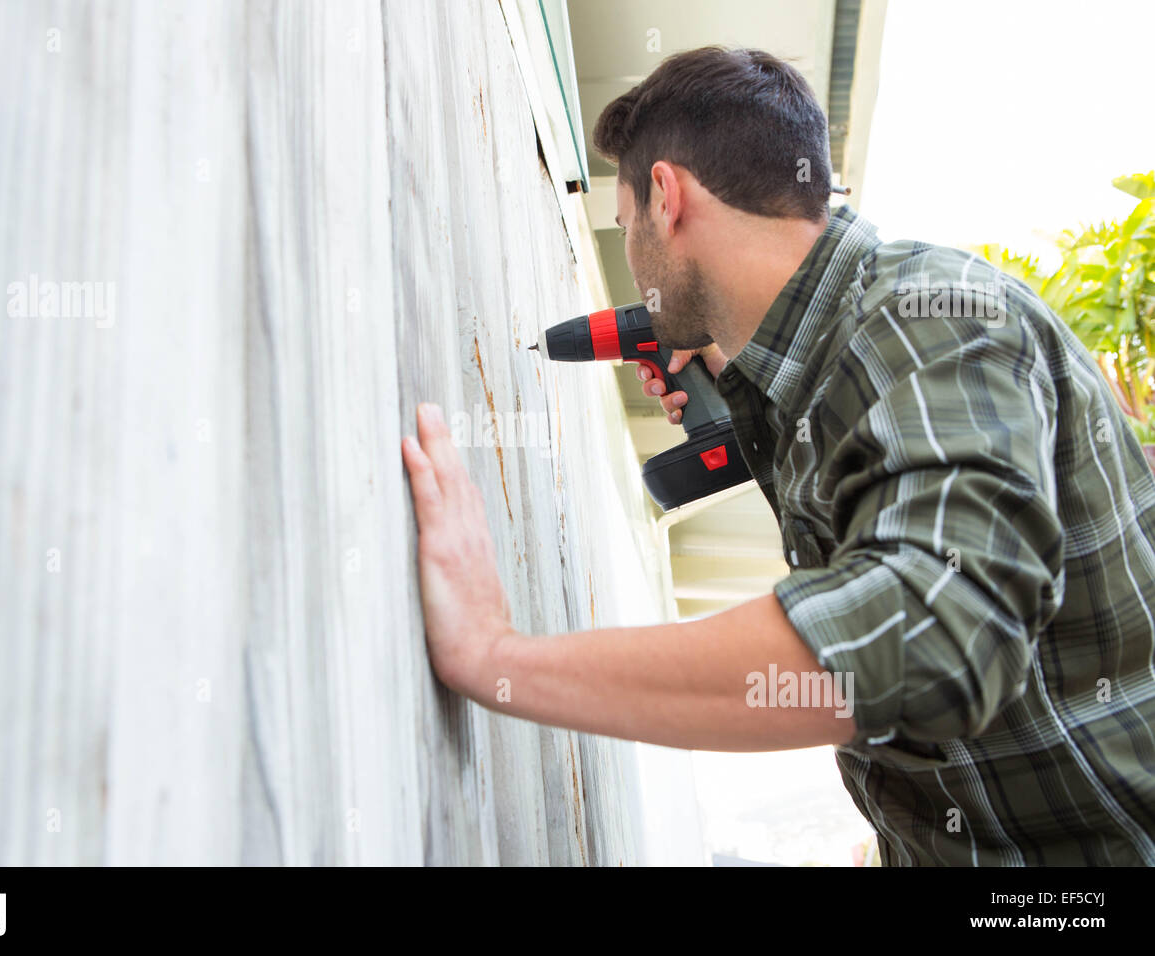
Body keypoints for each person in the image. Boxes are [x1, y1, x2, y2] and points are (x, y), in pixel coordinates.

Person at [400, 46, 1155, 866]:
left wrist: (497, 658)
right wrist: (749, 402)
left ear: (666, 195)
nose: (631, 262)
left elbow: (931, 635)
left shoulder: (928, 317)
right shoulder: (827, 372)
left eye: (625, 230)